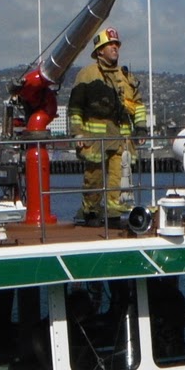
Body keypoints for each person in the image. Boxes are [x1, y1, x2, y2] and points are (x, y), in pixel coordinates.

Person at [67, 26, 147, 223]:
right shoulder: (87, 75)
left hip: (122, 140)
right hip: (95, 141)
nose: (115, 47)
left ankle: (113, 214)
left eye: (116, 44)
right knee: (93, 178)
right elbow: (75, 109)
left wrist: (141, 128)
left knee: (118, 179)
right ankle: (90, 211)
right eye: (110, 44)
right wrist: (78, 134)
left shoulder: (126, 77)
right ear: (99, 50)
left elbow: (138, 105)